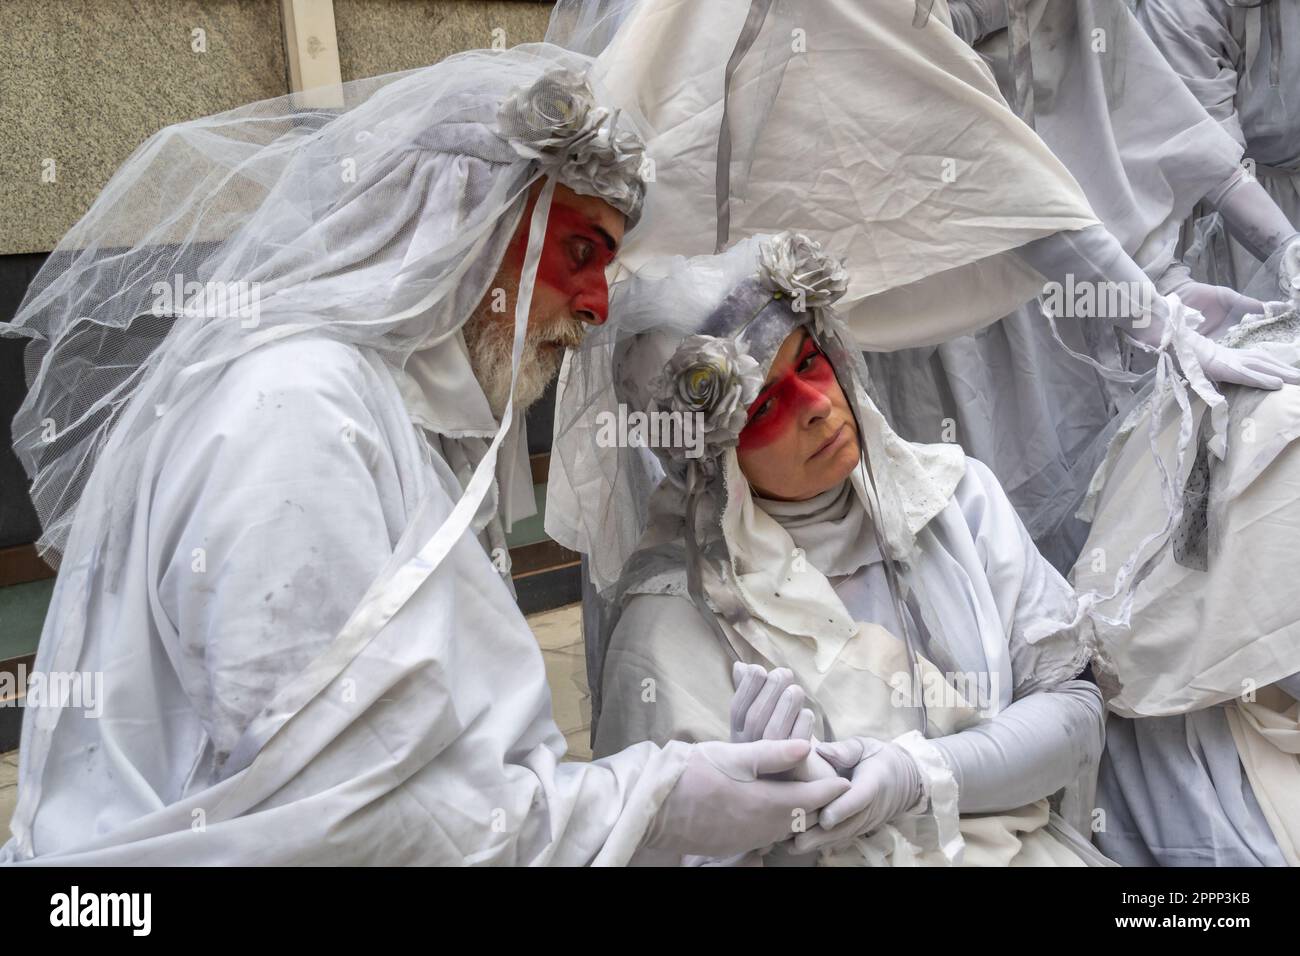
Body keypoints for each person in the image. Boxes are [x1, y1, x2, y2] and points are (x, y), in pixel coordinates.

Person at [0, 44, 850, 865]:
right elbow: (345, 819)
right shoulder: (296, 412)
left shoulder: (404, 411)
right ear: (464, 219)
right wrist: (654, 801)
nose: (595, 308)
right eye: (580, 251)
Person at [554, 230, 1113, 866]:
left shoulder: (956, 500)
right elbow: (651, 853)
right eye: (765, 407)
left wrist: (917, 772)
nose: (817, 407)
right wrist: (758, 827)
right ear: (710, 460)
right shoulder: (668, 624)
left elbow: (1075, 710)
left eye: (811, 364)